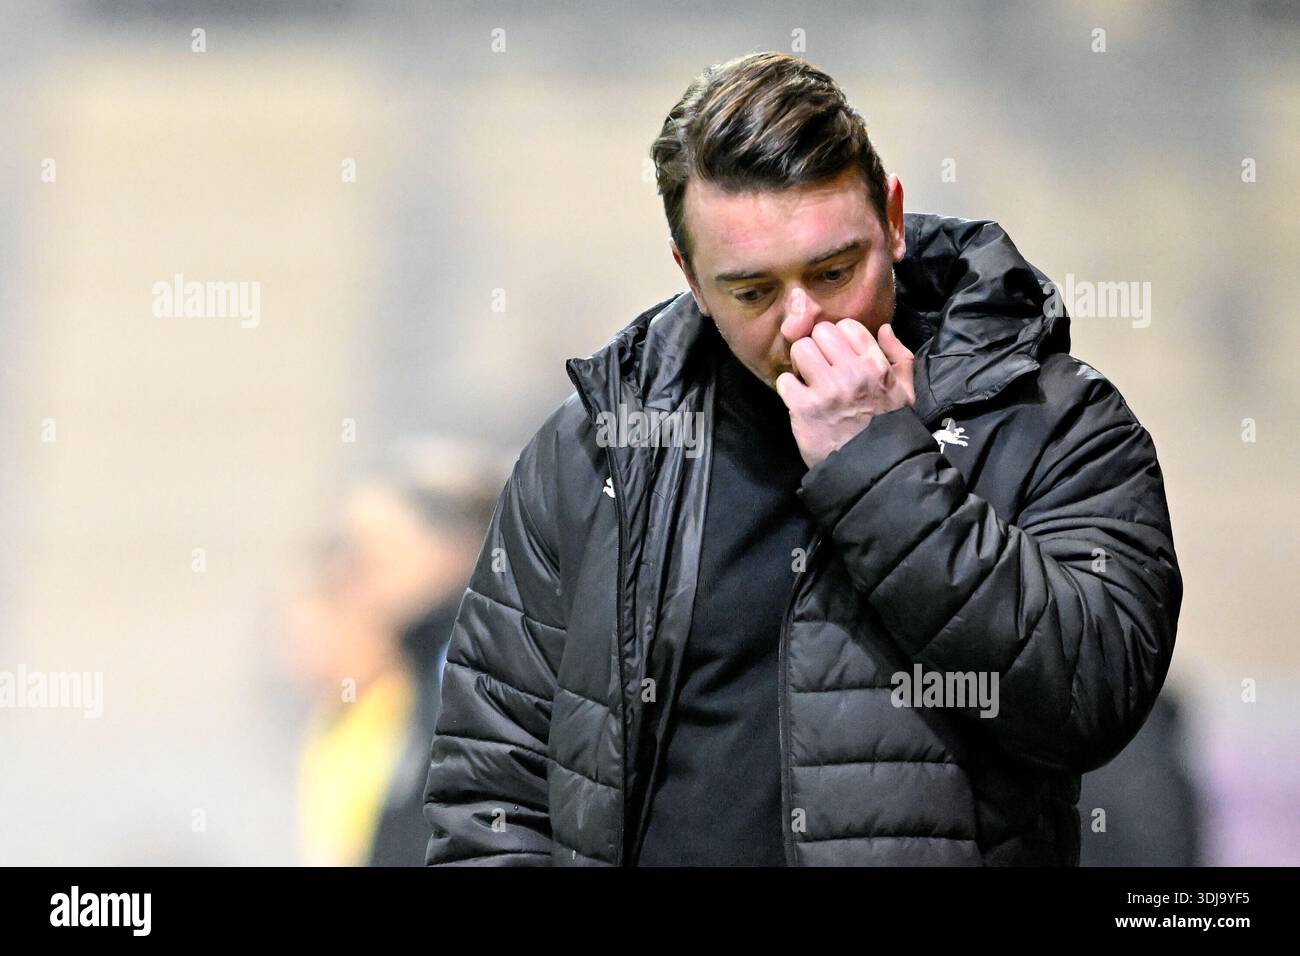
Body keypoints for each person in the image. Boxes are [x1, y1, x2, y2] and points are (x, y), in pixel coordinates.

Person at [422, 51, 1183, 866]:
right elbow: (489, 788)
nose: (802, 321)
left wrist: (882, 467)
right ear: (690, 276)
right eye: (751, 291)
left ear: (892, 220)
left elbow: (1091, 697)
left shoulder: (1050, 418)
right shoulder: (596, 452)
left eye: (834, 270)